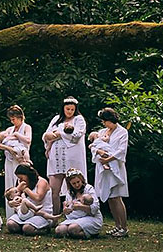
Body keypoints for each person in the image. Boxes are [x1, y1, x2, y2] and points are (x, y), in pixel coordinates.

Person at [42, 95, 87, 210]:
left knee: (73, 187)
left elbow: (76, 136)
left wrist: (58, 133)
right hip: (56, 158)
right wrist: (55, 135)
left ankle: (73, 213)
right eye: (68, 109)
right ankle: (55, 216)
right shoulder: (56, 119)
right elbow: (47, 135)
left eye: (72, 109)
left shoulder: (79, 119)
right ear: (63, 108)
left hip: (72, 158)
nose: (70, 112)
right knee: (54, 189)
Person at [93, 107, 129, 238]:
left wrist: (108, 159)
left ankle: (124, 227)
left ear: (110, 119)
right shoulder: (102, 132)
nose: (103, 124)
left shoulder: (122, 132)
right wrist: (99, 153)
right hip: (103, 167)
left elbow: (121, 150)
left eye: (105, 121)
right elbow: (94, 145)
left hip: (116, 168)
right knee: (109, 198)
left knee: (116, 197)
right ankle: (117, 226)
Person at [0, 104, 32, 218]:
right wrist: (10, 149)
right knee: (10, 183)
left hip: (21, 158)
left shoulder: (26, 127)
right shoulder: (9, 130)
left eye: (14, 119)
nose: (12, 121)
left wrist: (17, 135)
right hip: (10, 159)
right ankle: (10, 214)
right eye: (11, 119)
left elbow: (28, 140)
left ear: (20, 117)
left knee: (20, 184)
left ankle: (23, 212)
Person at [5, 162, 54, 236]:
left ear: (28, 175)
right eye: (19, 178)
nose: (20, 180)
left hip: (41, 213)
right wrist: (11, 203)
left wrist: (25, 189)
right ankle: (23, 226)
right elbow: (14, 195)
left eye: (21, 178)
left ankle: (42, 228)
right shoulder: (21, 182)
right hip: (25, 213)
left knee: (27, 228)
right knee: (10, 224)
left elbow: (38, 198)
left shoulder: (41, 182)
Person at [54, 167, 104, 239]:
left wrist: (80, 207)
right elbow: (67, 206)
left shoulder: (88, 189)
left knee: (73, 228)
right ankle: (71, 232)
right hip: (74, 217)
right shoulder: (69, 192)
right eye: (74, 183)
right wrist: (65, 210)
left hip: (90, 217)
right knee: (59, 230)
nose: (77, 185)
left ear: (82, 180)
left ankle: (89, 233)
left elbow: (95, 208)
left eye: (78, 182)